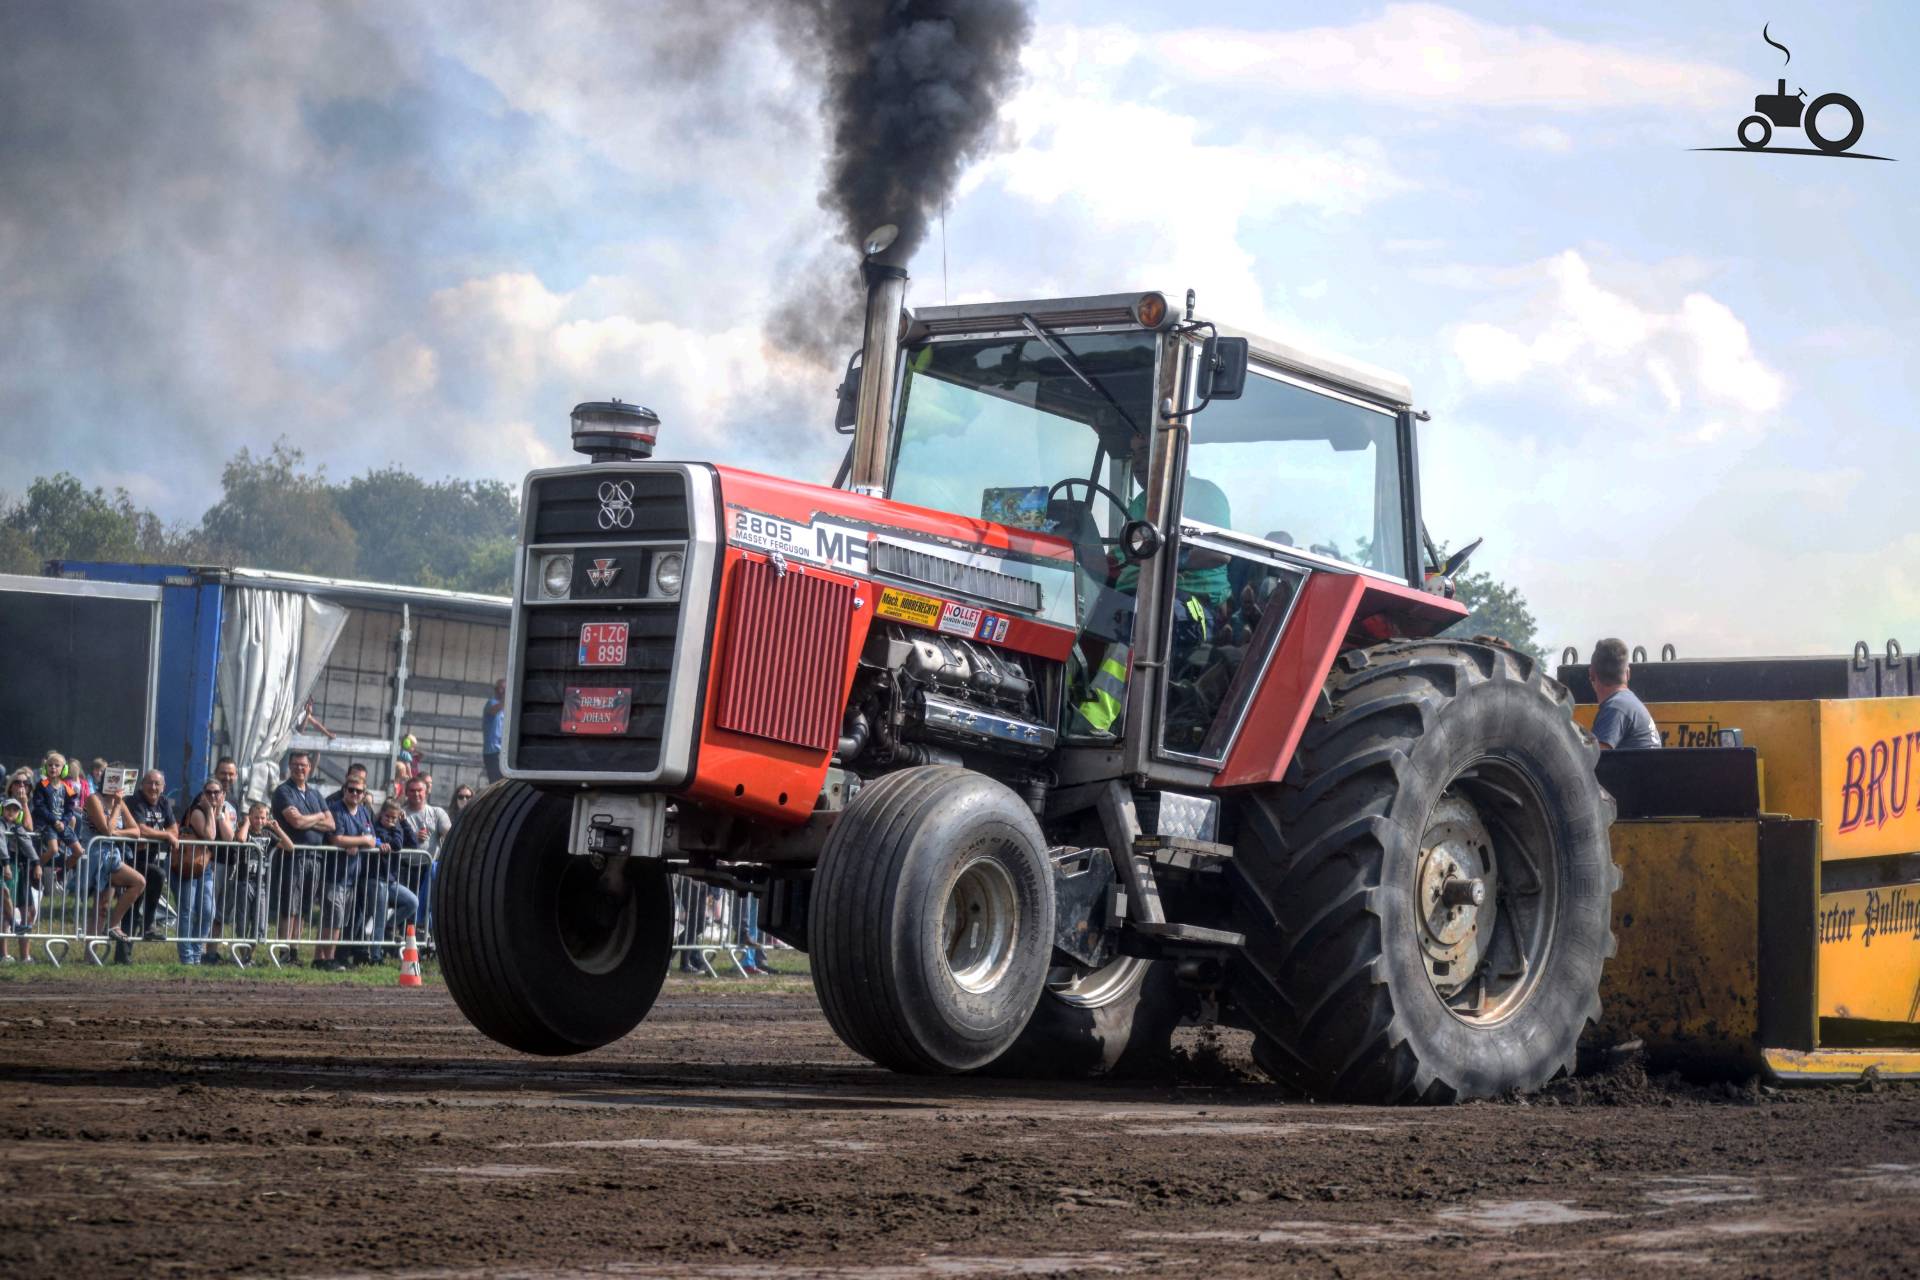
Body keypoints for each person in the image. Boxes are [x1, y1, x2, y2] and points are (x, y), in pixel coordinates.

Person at [1072, 434, 1233, 737]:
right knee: (1075, 612)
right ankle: (1060, 704)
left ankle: (1095, 720)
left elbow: (1219, 552)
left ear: (1174, 454)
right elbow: (1121, 560)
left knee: (1137, 618)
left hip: (1189, 602)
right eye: (1134, 454)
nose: (1138, 463)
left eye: (1146, 452)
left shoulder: (1203, 494)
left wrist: (1163, 555)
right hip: (1135, 593)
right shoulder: (1141, 503)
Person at [271, 751, 335, 965]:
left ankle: (294, 952)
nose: (300, 769)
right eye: (296, 765)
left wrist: (309, 818)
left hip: (315, 857)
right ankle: (283, 953)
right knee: (289, 907)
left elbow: (331, 824)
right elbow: (295, 823)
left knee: (303, 909)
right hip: (292, 856)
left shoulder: (315, 794)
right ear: (290, 766)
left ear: (310, 768)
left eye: (304, 765)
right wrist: (318, 816)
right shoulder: (283, 792)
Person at [79, 774, 144, 948]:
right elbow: (106, 829)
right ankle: (111, 928)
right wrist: (116, 807)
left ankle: (94, 949)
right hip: (95, 854)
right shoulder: (95, 799)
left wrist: (117, 833)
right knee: (138, 882)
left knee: (103, 906)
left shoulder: (120, 802)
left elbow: (136, 831)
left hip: (111, 854)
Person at [318, 775, 376, 972]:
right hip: (334, 874)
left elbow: (372, 839)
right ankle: (327, 959)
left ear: (364, 794)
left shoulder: (365, 813)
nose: (354, 794)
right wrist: (360, 841)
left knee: (339, 921)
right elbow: (336, 839)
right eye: (350, 789)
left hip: (352, 876)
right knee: (333, 919)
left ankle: (321, 958)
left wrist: (356, 842)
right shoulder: (336, 810)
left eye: (358, 791)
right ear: (344, 790)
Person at [175, 776, 230, 964]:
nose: (213, 795)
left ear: (222, 794)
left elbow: (229, 838)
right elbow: (211, 836)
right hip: (187, 865)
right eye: (209, 792)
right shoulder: (198, 810)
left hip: (204, 866)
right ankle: (187, 957)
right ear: (203, 794)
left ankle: (197, 953)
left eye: (217, 792)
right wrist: (209, 810)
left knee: (208, 911)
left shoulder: (220, 810)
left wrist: (220, 812)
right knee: (187, 911)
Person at [125, 769, 180, 943]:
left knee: (153, 880)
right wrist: (164, 835)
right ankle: (125, 949)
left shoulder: (163, 802)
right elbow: (140, 828)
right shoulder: (135, 801)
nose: (153, 787)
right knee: (132, 905)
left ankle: (147, 926)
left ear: (163, 787)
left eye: (157, 784)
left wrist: (161, 834)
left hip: (150, 859)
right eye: (149, 782)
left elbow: (174, 830)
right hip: (131, 859)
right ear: (142, 785)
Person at [366, 798, 421, 960]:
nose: (390, 821)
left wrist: (403, 824)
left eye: (394, 818)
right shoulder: (377, 829)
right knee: (379, 916)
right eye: (387, 817)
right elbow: (396, 843)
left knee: (413, 902)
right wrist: (397, 829)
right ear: (381, 814)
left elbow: (413, 844)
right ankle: (375, 956)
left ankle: (390, 925)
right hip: (377, 879)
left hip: (390, 881)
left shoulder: (397, 827)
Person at [205, 757, 247, 962]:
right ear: (215, 772)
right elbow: (225, 836)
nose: (227, 777)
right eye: (223, 773)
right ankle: (202, 951)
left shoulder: (235, 801)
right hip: (212, 861)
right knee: (208, 909)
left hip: (230, 862)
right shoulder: (207, 796)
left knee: (221, 912)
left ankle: (212, 951)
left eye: (231, 774)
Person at [1589, 638, 1662, 751]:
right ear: (1627, 673)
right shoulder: (1629, 703)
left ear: (1592, 674)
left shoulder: (1615, 708)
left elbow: (1594, 760)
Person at [399, 777, 449, 939]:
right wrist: (412, 836)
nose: (416, 794)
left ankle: (429, 941)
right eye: (412, 790)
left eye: (419, 790)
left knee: (428, 907)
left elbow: (449, 833)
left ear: (426, 791)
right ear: (406, 792)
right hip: (406, 868)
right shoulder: (400, 813)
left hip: (430, 868)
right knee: (408, 906)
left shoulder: (436, 812)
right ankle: (404, 939)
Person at [6, 773, 38, 962]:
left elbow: (29, 827)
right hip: (7, 861)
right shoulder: (4, 803)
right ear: (11, 785)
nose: (21, 785)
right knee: (5, 908)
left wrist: (24, 804)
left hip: (24, 862)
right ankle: (5, 954)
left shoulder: (31, 804)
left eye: (25, 783)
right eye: (17, 782)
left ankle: (25, 956)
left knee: (29, 910)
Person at [481, 678, 506, 783]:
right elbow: (495, 709)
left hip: (502, 752)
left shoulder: (505, 709)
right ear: (496, 690)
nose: (504, 691)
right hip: (492, 752)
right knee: (496, 782)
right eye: (502, 689)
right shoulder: (491, 703)